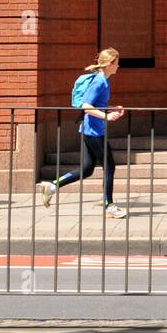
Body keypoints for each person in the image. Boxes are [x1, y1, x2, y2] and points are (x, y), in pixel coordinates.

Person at [38, 48, 127, 218]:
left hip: (90, 129)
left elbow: (96, 103)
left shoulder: (103, 80)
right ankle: (109, 205)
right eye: (116, 62)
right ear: (109, 64)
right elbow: (87, 106)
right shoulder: (99, 82)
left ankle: (52, 186)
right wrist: (106, 117)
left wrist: (111, 108)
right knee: (110, 166)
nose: (118, 66)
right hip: (93, 131)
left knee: (87, 169)